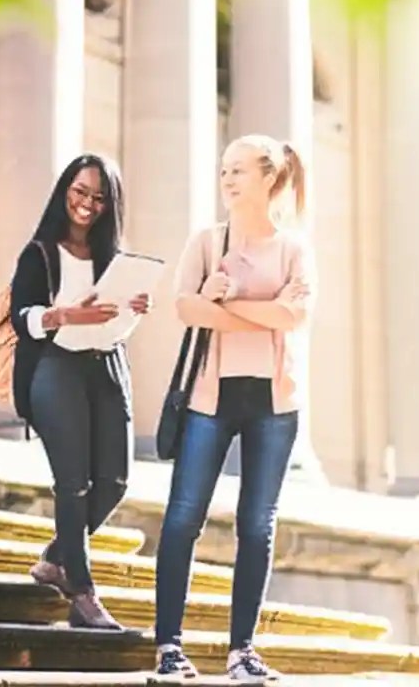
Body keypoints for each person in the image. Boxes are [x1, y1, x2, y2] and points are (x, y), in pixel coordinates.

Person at [153, 134, 313, 679]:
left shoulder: (294, 248)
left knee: (256, 526)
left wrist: (225, 302)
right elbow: (183, 307)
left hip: (274, 404)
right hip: (208, 398)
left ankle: (241, 651)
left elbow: (294, 317)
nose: (227, 179)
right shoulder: (206, 241)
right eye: (225, 169)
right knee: (182, 520)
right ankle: (169, 647)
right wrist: (251, 309)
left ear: (269, 178)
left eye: (239, 170)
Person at [8, 153, 146, 630]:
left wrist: (132, 309)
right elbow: (21, 319)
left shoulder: (114, 259)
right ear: (65, 189)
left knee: (115, 482)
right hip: (56, 368)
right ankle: (82, 593)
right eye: (79, 191)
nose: (87, 203)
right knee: (74, 483)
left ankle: (56, 557)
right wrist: (63, 314)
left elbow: (117, 326)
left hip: (106, 367)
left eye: (98, 197)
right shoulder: (41, 252)